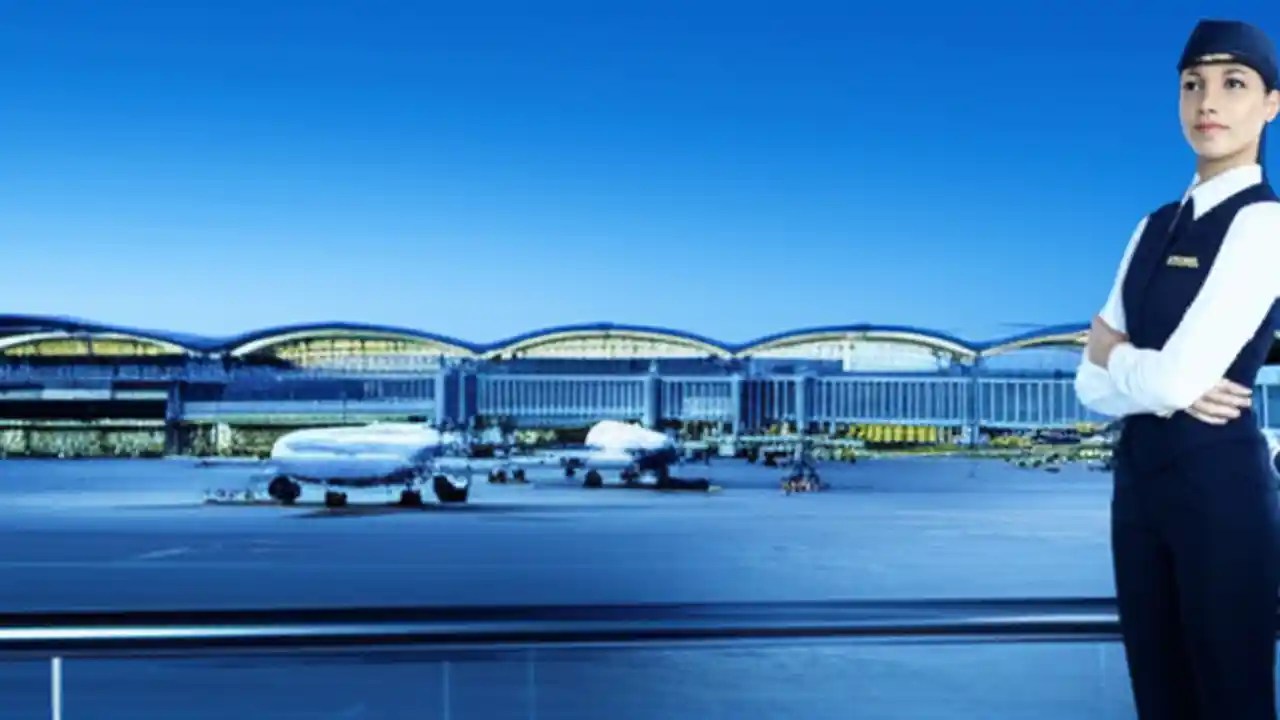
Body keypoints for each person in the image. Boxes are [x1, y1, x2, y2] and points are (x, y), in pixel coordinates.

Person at [1073, 18, 1280, 720]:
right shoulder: (1152, 225)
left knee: (1231, 701)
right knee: (1158, 703)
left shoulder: (1265, 225)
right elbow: (1088, 384)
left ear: (1271, 105)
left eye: (1232, 84)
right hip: (1136, 495)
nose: (1207, 103)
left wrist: (1120, 357)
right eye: (1192, 85)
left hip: (1220, 494)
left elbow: (1153, 377)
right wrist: (1149, 378)